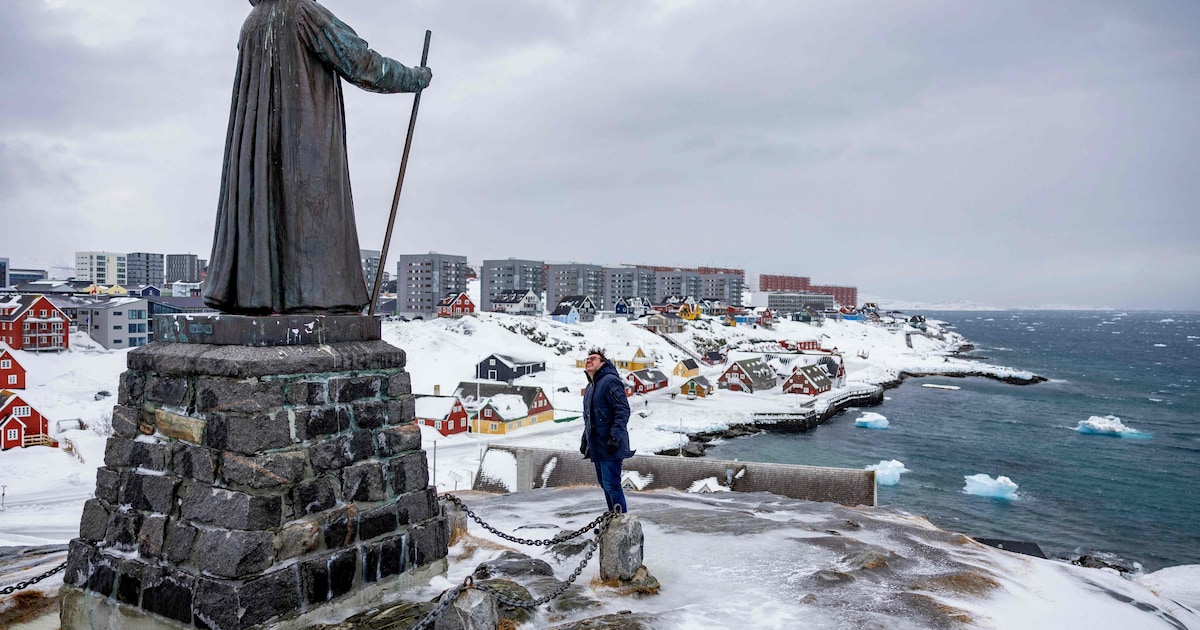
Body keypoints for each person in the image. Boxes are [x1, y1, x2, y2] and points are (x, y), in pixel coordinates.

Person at [204, 0, 432, 314]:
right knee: (310, 215)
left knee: (272, 212)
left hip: (259, 152)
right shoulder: (303, 13)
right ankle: (311, 296)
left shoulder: (252, 23)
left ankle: (261, 295)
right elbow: (361, 63)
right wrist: (415, 77)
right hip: (303, 144)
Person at [581, 348, 634, 513]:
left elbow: (622, 409)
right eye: (587, 358)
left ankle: (621, 521)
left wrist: (614, 438)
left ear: (603, 363)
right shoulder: (591, 387)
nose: (589, 360)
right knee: (605, 484)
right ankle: (613, 517)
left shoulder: (610, 380)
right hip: (597, 445)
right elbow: (590, 418)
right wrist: (585, 441)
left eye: (594, 358)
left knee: (612, 484)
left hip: (611, 444)